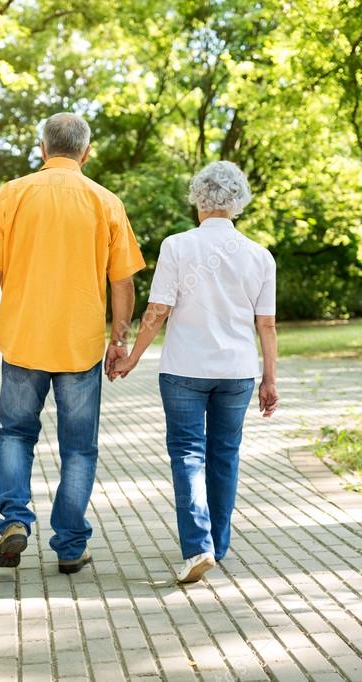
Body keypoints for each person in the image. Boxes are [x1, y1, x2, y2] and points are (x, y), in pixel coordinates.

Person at [0, 112, 145, 574]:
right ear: (86, 153)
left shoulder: (13, 194)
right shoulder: (106, 201)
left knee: (15, 433)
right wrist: (119, 338)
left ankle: (14, 520)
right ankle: (69, 545)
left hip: (24, 339)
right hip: (80, 345)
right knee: (79, 448)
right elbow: (123, 280)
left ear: (43, 149)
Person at [111, 160, 278, 584]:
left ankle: (198, 547)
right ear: (239, 201)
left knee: (187, 454)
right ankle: (217, 547)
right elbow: (267, 325)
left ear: (197, 200)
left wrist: (131, 357)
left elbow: (157, 311)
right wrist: (270, 378)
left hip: (184, 369)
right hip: (237, 372)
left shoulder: (177, 246)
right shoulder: (260, 256)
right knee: (225, 455)